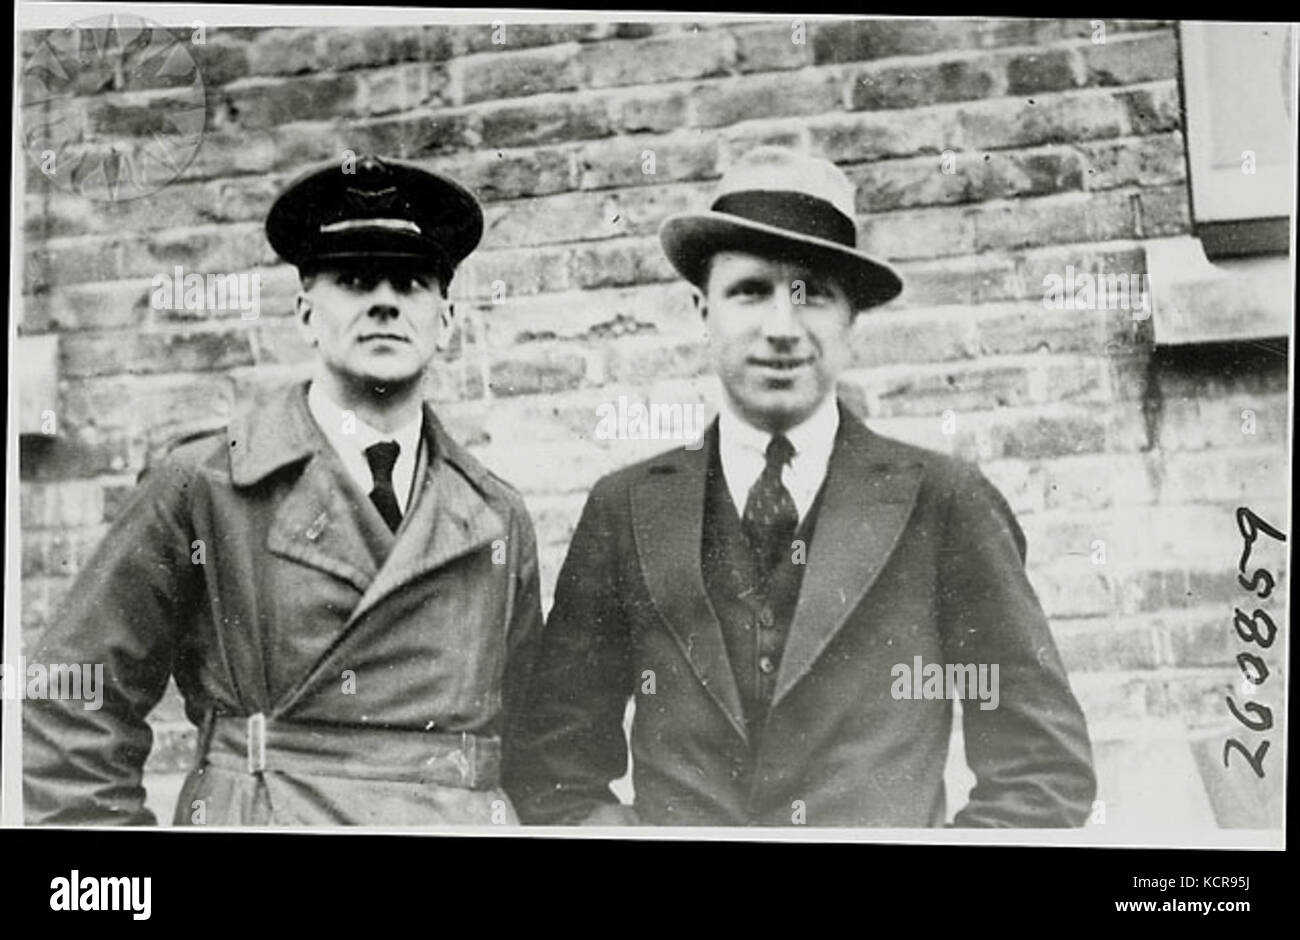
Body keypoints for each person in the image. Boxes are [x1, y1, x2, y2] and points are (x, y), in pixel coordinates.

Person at [505, 146, 1097, 827]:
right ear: (702, 310)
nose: (781, 328)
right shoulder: (627, 506)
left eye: (812, 292)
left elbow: (1042, 770)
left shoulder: (945, 500)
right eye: (750, 290)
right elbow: (555, 767)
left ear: (853, 322)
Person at [24, 155, 543, 827]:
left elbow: (533, 743)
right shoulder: (208, 484)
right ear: (304, 315)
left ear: (445, 321)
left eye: (411, 282)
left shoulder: (496, 515)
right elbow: (70, 698)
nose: (384, 300)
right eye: (354, 279)